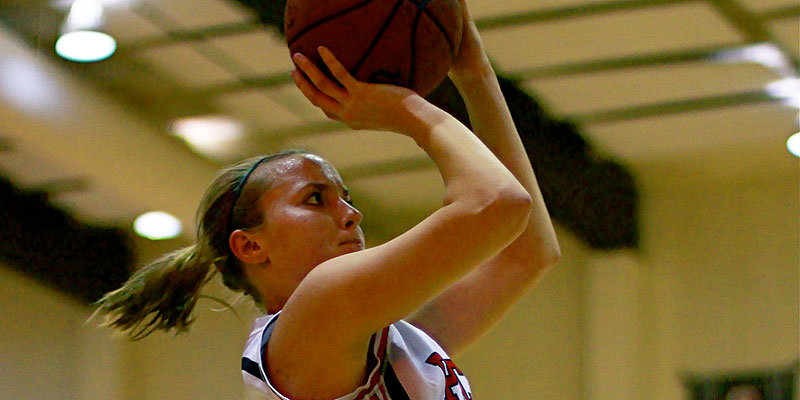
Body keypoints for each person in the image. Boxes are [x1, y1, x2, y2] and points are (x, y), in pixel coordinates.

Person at [94, 1, 560, 398]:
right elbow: (499, 204)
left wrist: (475, 73)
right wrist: (402, 108)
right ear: (251, 245)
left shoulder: (370, 337)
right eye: (315, 198)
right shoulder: (317, 310)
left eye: (345, 197)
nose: (351, 214)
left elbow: (527, 251)